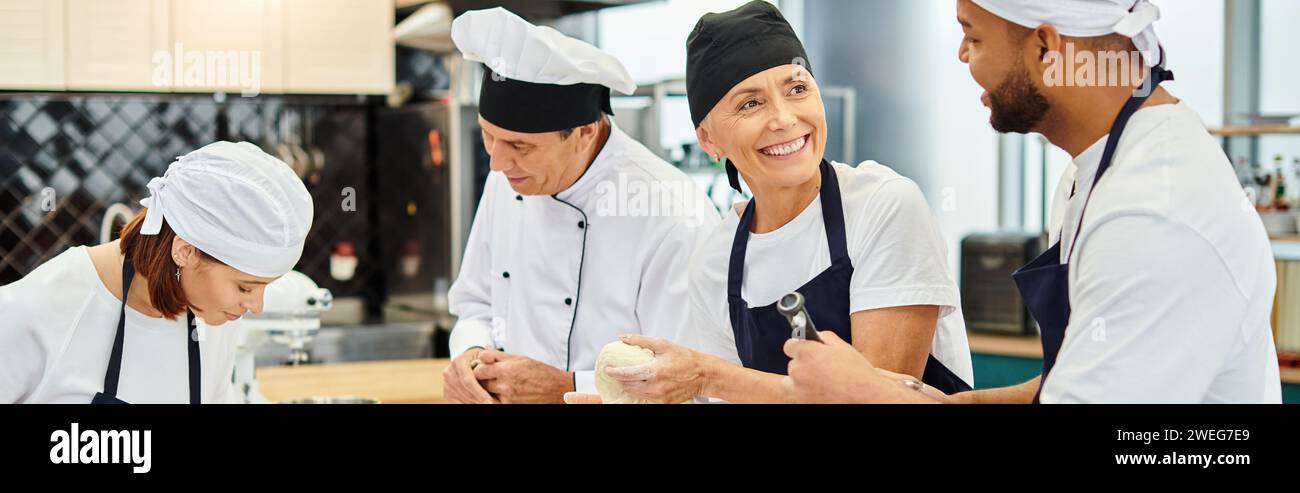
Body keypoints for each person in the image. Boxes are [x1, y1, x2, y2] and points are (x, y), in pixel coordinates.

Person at [784, 0, 1282, 404]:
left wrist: (866, 395)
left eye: (973, 36)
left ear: (1046, 47)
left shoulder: (1156, 217)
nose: (961, 54)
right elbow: (1076, 376)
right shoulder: (1089, 174)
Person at [568, 1, 972, 404]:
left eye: (797, 89)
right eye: (750, 103)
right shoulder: (716, 261)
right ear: (709, 140)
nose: (783, 118)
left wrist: (706, 376)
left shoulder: (884, 207)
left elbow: (878, 398)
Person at [442, 7, 721, 404]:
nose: (497, 163)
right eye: (489, 137)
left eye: (521, 146)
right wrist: (469, 356)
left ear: (585, 132)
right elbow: (475, 303)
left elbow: (690, 382)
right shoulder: (506, 179)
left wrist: (568, 387)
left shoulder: (672, 213)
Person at [0, 141, 314, 403]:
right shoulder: (37, 310)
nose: (256, 307)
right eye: (245, 288)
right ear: (185, 252)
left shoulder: (214, 316)